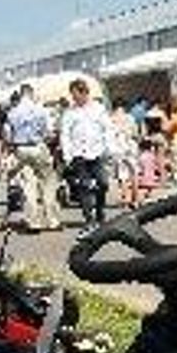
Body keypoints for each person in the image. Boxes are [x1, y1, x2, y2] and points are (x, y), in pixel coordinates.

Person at [5, 84, 61, 231]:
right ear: (31, 93)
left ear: (21, 94)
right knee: (48, 182)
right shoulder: (41, 110)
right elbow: (49, 132)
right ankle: (52, 220)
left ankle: (33, 221)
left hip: (21, 149)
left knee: (28, 185)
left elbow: (7, 135)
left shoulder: (12, 112)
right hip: (38, 147)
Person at [60, 79, 111, 236]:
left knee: (103, 183)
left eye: (76, 95)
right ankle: (89, 220)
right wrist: (68, 155)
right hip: (78, 155)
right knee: (84, 187)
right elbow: (65, 134)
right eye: (72, 95)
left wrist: (108, 149)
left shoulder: (98, 109)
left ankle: (100, 211)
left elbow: (107, 129)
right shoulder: (69, 113)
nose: (74, 98)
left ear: (84, 93)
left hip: (97, 152)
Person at [107, 103, 142, 208]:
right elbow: (136, 133)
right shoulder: (130, 118)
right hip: (131, 147)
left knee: (122, 175)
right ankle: (135, 198)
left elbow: (108, 136)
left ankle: (125, 197)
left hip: (117, 149)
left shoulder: (110, 119)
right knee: (134, 172)